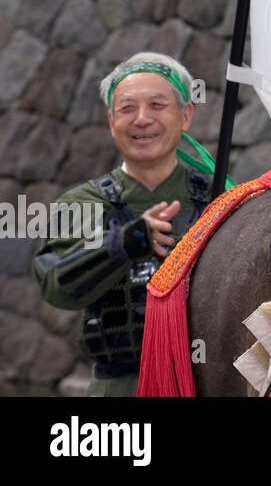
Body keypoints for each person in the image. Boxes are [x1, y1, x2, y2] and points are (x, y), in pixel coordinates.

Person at [32, 52, 217, 396]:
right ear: (110, 121)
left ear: (186, 115)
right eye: (127, 108)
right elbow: (56, 285)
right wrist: (123, 244)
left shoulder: (220, 199)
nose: (142, 119)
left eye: (157, 105)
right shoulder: (84, 203)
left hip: (207, 383)